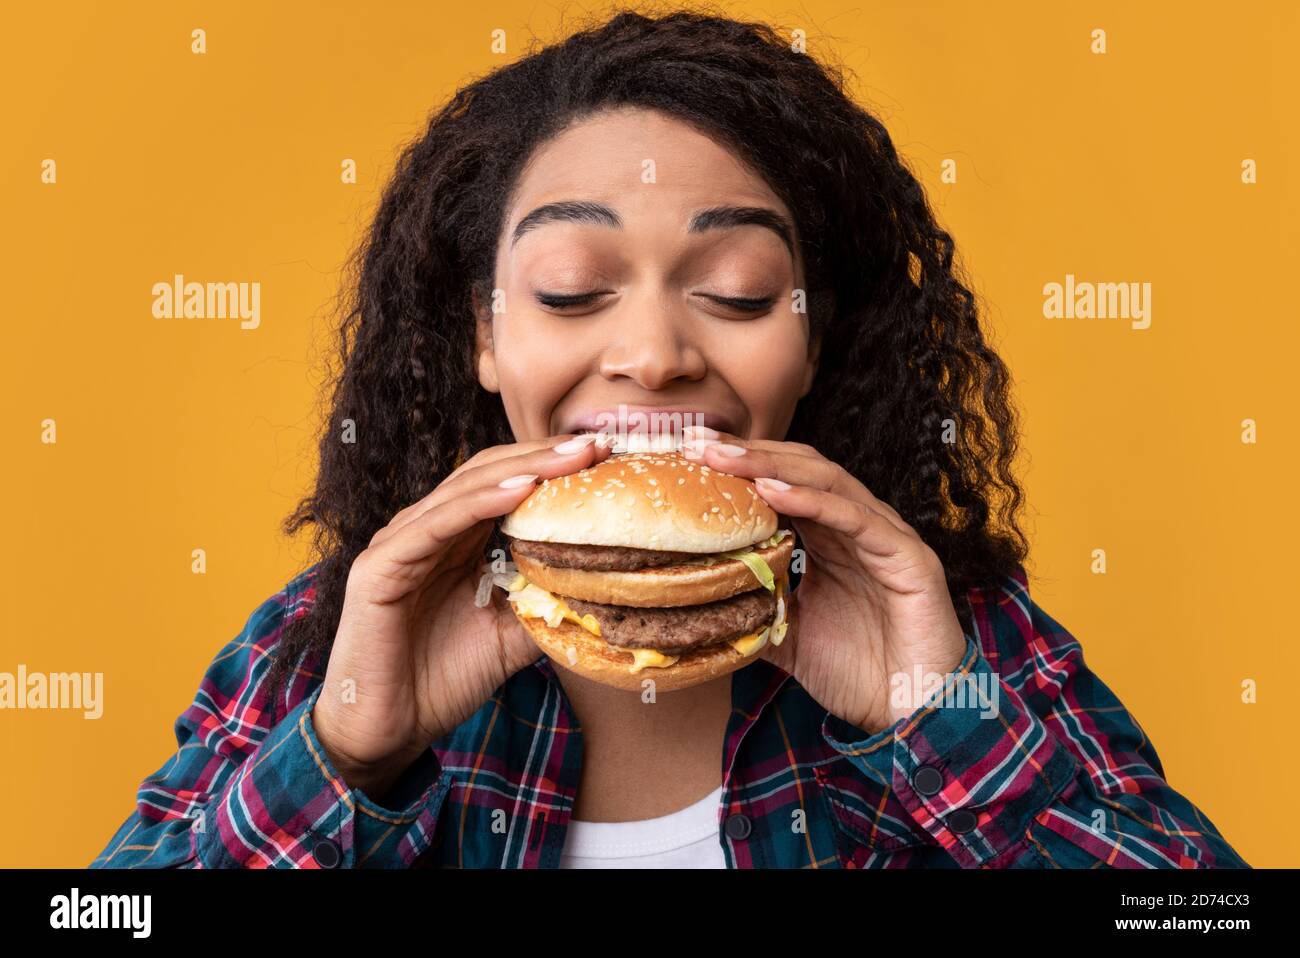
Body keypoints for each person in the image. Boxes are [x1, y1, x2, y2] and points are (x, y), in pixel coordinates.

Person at [91, 9, 1247, 869]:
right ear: (483, 339)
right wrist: (343, 754)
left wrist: (934, 715)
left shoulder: (952, 636)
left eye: (739, 292)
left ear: (811, 342)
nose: (654, 353)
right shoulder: (335, 635)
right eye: (569, 287)